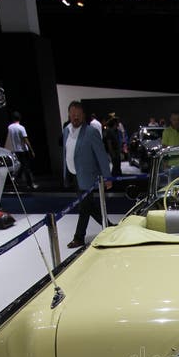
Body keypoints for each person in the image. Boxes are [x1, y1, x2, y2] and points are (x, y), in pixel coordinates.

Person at [63, 100, 113, 249]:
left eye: (78, 115)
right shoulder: (66, 129)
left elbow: (101, 156)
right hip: (73, 175)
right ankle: (109, 226)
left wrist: (107, 177)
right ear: (69, 115)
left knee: (84, 207)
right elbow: (66, 152)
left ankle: (79, 237)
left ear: (83, 115)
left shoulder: (91, 132)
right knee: (88, 206)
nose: (75, 117)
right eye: (73, 115)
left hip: (88, 177)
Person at [6, 112, 38, 189]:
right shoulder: (21, 128)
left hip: (15, 150)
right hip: (23, 150)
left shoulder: (10, 127)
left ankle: (14, 178)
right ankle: (30, 184)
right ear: (20, 118)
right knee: (27, 167)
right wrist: (31, 150)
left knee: (19, 166)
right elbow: (26, 140)